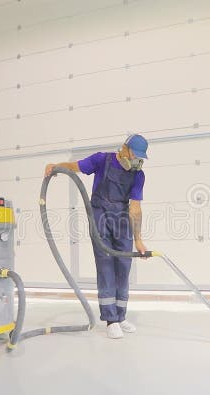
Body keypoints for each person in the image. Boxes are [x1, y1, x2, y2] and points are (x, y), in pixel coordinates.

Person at [44, 134, 149, 339]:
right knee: (106, 264)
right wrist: (55, 166)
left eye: (140, 157)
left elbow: (135, 208)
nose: (137, 161)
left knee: (124, 266)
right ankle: (110, 320)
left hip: (122, 221)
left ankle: (121, 316)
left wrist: (138, 239)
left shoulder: (138, 175)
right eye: (135, 155)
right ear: (124, 149)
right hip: (100, 217)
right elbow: (75, 167)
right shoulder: (102, 160)